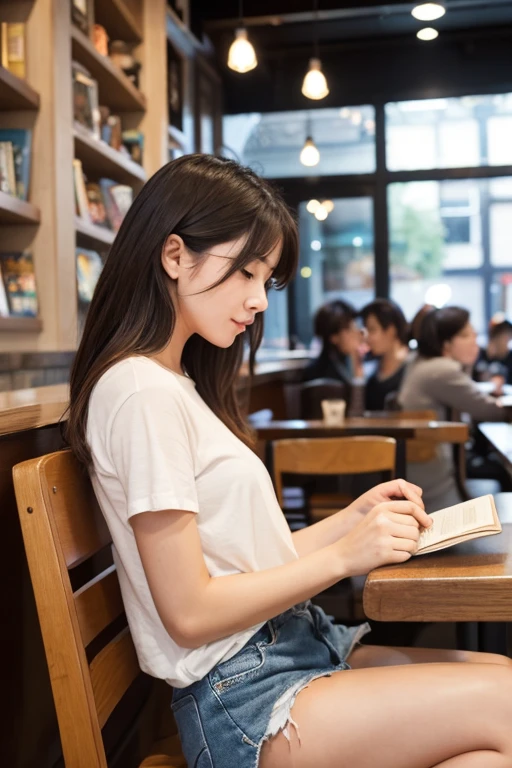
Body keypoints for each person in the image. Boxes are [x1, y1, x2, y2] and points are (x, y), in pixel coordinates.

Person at [66, 156, 512, 768]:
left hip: (288, 651)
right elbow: (191, 612)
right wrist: (343, 555)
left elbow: (239, 567)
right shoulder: (141, 392)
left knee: (495, 706)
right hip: (245, 697)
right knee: (506, 701)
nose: (258, 300)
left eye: (266, 279)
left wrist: (351, 521)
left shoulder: (172, 384)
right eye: (246, 272)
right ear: (174, 256)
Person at [398, 305, 511, 512]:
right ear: (446, 343)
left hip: (422, 468)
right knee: (502, 471)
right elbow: (488, 410)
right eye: (467, 335)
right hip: (434, 481)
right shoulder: (441, 370)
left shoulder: (420, 361)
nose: (475, 340)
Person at [303, 299, 365, 414]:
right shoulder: (323, 376)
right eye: (349, 329)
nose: (357, 333)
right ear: (333, 337)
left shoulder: (350, 360)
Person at [360, 298, 410, 411]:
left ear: (391, 330)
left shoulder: (412, 369)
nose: (367, 338)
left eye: (372, 330)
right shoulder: (370, 371)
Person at [473, 314, 512, 387]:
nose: (505, 338)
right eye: (499, 333)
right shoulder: (479, 353)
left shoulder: (510, 357)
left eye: (507, 334)